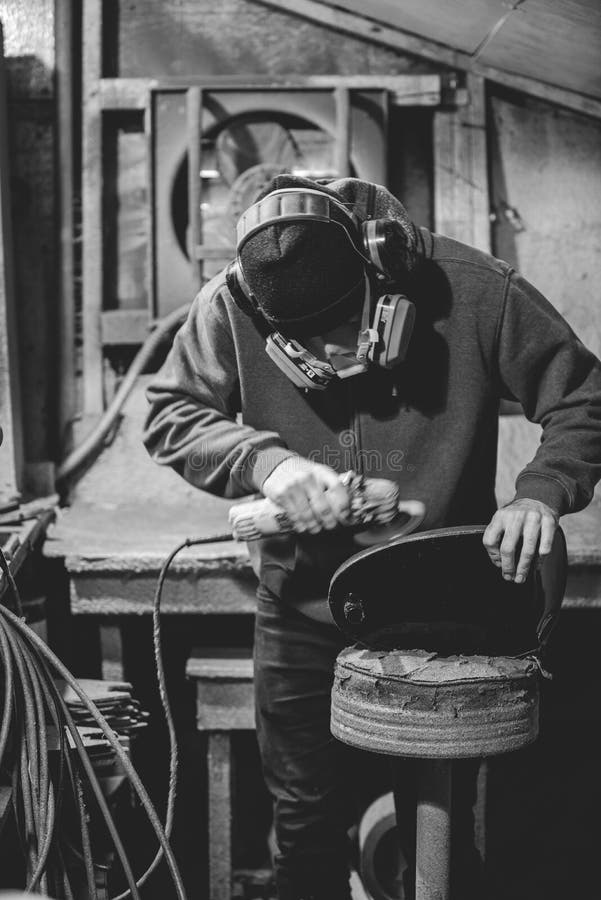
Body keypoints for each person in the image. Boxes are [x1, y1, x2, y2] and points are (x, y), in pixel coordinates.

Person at [144, 175, 601, 899]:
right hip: (300, 602)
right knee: (302, 825)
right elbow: (170, 412)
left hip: (444, 601)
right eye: (302, 344)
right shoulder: (229, 304)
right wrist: (266, 462)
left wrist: (539, 495)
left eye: (341, 325)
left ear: (375, 264)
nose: (329, 358)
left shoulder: (473, 288)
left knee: (445, 829)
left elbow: (581, 396)